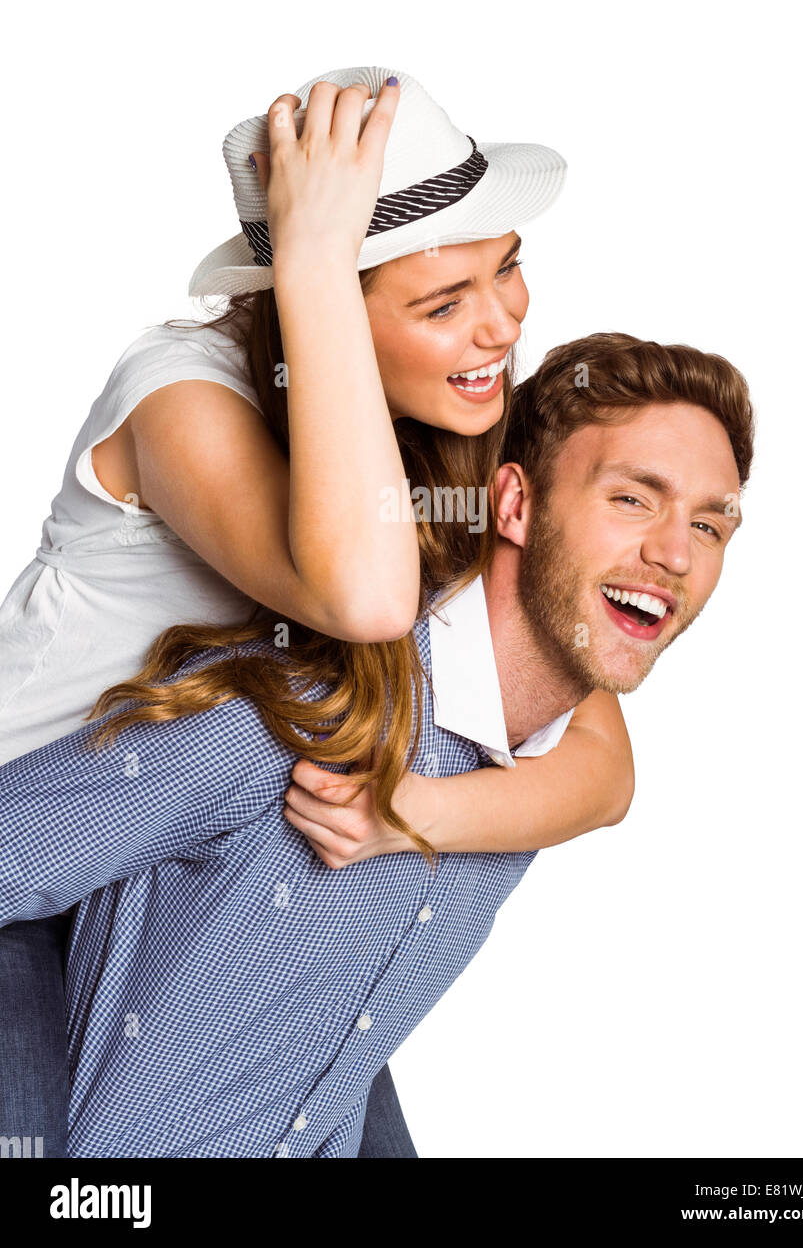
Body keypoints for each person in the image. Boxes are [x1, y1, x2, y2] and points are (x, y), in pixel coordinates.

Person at [0, 66, 632, 1157]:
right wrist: (312, 265)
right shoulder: (178, 397)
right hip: (30, 879)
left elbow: (595, 751)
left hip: (196, 883)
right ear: (312, 302)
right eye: (441, 303)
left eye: (506, 269)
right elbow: (370, 600)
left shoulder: (428, 430)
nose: (497, 329)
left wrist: (411, 819)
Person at [0, 330, 753, 1157]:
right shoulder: (296, 711)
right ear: (515, 505)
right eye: (633, 500)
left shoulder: (532, 778)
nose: (676, 553)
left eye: (711, 527)